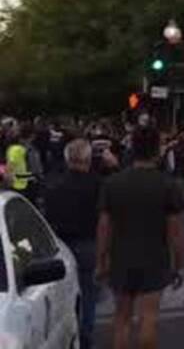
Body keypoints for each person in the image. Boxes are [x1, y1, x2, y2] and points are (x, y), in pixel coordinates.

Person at [97, 126, 184, 349]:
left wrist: (101, 260)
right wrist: (178, 265)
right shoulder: (168, 185)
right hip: (155, 259)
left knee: (122, 318)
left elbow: (104, 227)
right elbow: (175, 231)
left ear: (132, 149)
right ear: (156, 151)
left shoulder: (113, 183)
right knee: (149, 317)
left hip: (121, 258)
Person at [43, 139, 105, 349]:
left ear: (67, 158)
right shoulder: (97, 183)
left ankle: (65, 334)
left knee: (62, 293)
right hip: (88, 242)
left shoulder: (53, 182)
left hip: (60, 244)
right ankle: (85, 335)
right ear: (88, 159)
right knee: (89, 293)